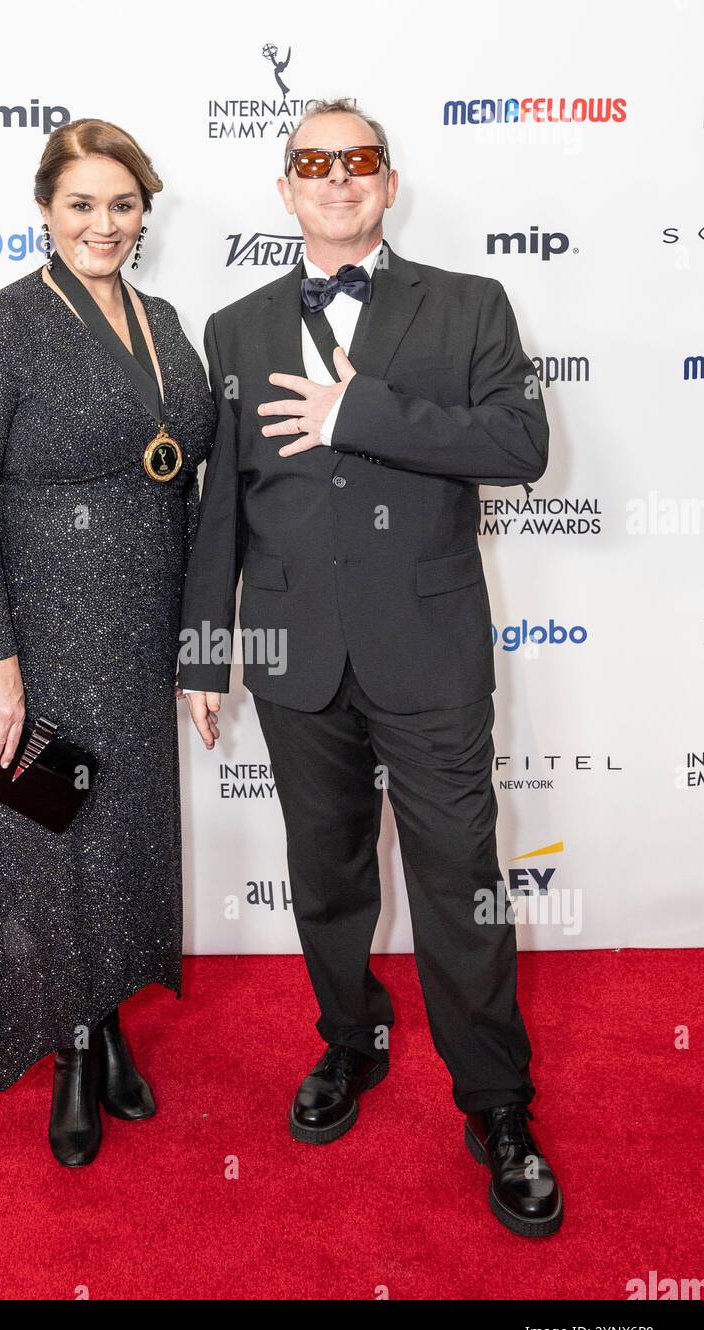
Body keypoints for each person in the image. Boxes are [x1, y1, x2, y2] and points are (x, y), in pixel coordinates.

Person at [177, 98, 562, 1237]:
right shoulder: (234, 327)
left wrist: (363, 413)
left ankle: (496, 1104)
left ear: (387, 184)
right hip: (297, 657)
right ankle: (351, 1040)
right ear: (285, 189)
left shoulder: (471, 304)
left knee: (460, 880)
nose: (336, 179)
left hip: (429, 651)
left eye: (357, 162)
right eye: (313, 164)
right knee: (328, 876)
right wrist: (205, 647)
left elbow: (520, 445)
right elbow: (220, 509)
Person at [0, 118, 216, 1167]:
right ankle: (67, 1046)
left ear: (145, 213)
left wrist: (194, 639)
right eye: (82, 204)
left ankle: (106, 1022)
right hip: (37, 633)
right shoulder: (4, 321)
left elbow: (182, 477)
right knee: (49, 843)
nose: (104, 223)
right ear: (47, 211)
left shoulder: (166, 318)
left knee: (121, 837)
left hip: (140, 628)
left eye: (123, 203)